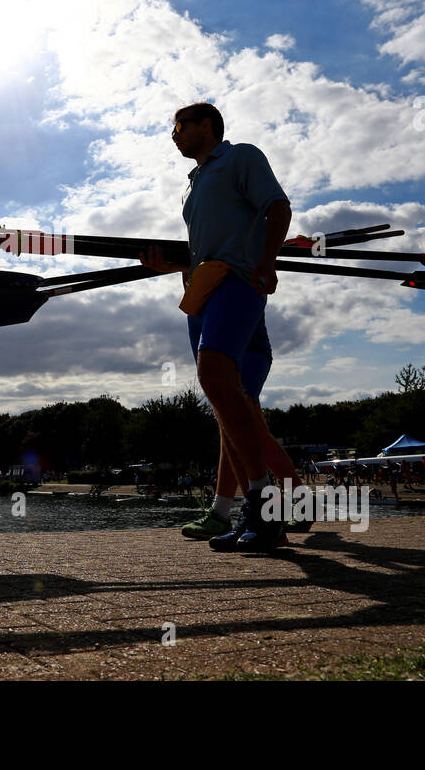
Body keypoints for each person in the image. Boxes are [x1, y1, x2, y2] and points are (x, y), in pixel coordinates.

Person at [141, 102, 298, 553]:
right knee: (226, 403)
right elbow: (197, 253)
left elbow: (278, 209)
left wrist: (266, 261)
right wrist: (167, 266)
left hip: (237, 279)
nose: (174, 135)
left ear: (206, 125)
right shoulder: (190, 187)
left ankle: (262, 504)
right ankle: (251, 511)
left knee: (215, 376)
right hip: (202, 294)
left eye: (179, 126)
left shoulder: (241, 156)